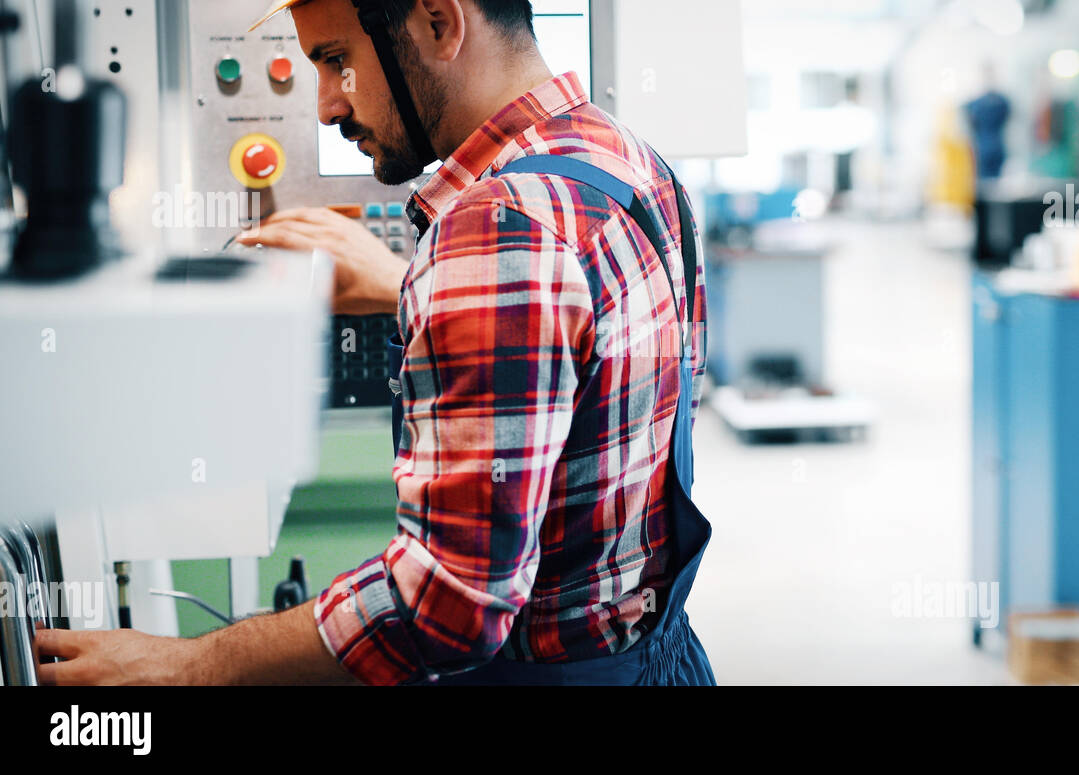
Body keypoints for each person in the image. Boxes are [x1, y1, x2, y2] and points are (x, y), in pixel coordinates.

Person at [35, 0, 714, 686]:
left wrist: (189, 664)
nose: (328, 106)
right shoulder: (624, 157)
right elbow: (588, 360)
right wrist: (411, 288)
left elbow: (448, 604)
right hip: (662, 658)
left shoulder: (497, 230)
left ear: (438, 23)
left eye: (337, 61)